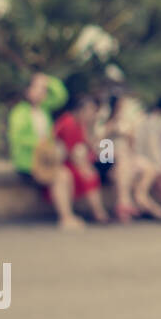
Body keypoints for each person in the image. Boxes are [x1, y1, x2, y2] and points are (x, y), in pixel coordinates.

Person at [7, 72, 85, 230]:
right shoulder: (20, 112)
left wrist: (48, 81)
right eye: (38, 88)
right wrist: (40, 144)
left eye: (43, 90)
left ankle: (68, 214)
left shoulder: (43, 108)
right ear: (28, 91)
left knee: (66, 175)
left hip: (46, 159)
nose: (42, 92)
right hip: (29, 162)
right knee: (61, 176)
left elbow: (61, 96)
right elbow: (17, 138)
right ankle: (65, 217)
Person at [98, 93, 161, 220]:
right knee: (123, 163)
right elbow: (102, 145)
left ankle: (140, 194)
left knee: (148, 167)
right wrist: (110, 129)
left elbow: (131, 144)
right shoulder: (103, 119)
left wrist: (129, 136)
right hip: (107, 157)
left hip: (126, 156)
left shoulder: (126, 121)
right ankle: (124, 202)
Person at [52, 92, 111, 224]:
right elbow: (73, 152)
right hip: (64, 164)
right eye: (90, 110)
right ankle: (98, 213)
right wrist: (85, 168)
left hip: (74, 162)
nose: (92, 114)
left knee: (93, 172)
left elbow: (90, 146)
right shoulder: (69, 123)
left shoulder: (79, 124)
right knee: (89, 176)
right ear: (81, 110)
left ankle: (99, 212)